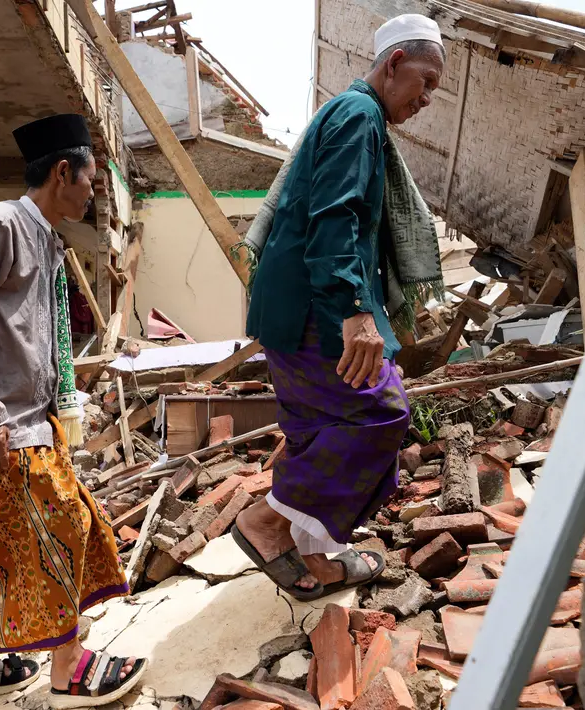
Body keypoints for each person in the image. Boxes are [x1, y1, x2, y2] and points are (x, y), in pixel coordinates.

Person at [0, 113, 145, 710]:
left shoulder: (45, 238)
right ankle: (69, 669)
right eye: (91, 179)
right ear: (63, 172)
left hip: (25, 421)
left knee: (6, 543)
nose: (94, 192)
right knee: (62, 527)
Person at [233, 14, 447, 599]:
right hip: (316, 311)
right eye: (426, 81)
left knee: (316, 428)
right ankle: (266, 523)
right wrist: (356, 311)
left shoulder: (352, 113)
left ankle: (316, 554)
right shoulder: (359, 115)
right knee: (382, 414)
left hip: (294, 307)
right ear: (394, 63)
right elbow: (336, 216)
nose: (427, 99)